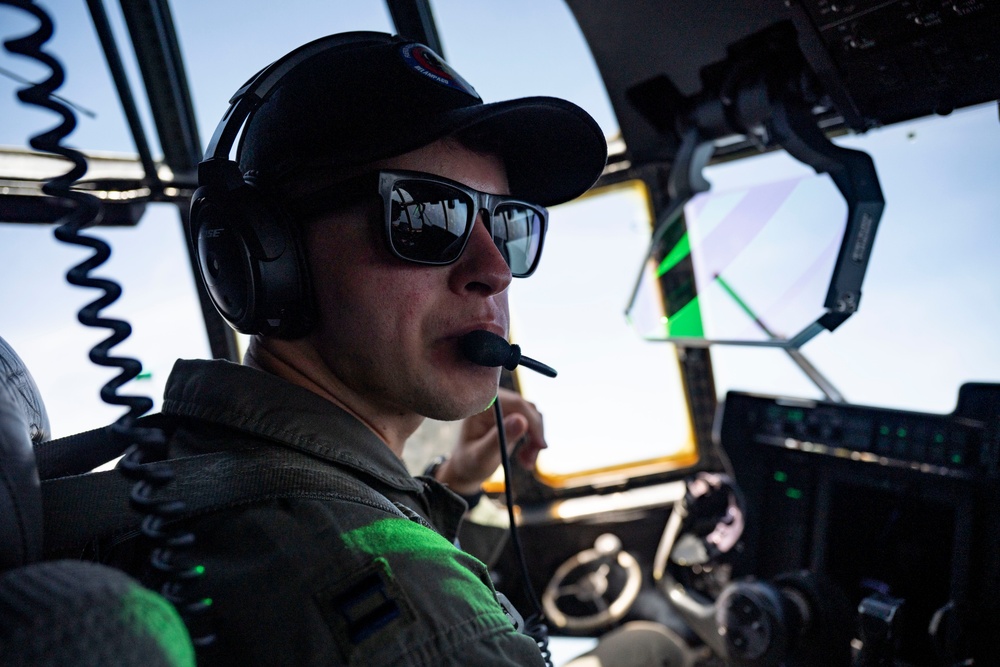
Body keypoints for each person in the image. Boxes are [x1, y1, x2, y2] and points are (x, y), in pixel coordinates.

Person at [103, 31, 607, 666]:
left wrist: (458, 489)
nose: (495, 270)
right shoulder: (426, 626)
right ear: (265, 256)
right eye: (427, 215)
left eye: (506, 222)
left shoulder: (190, 465)